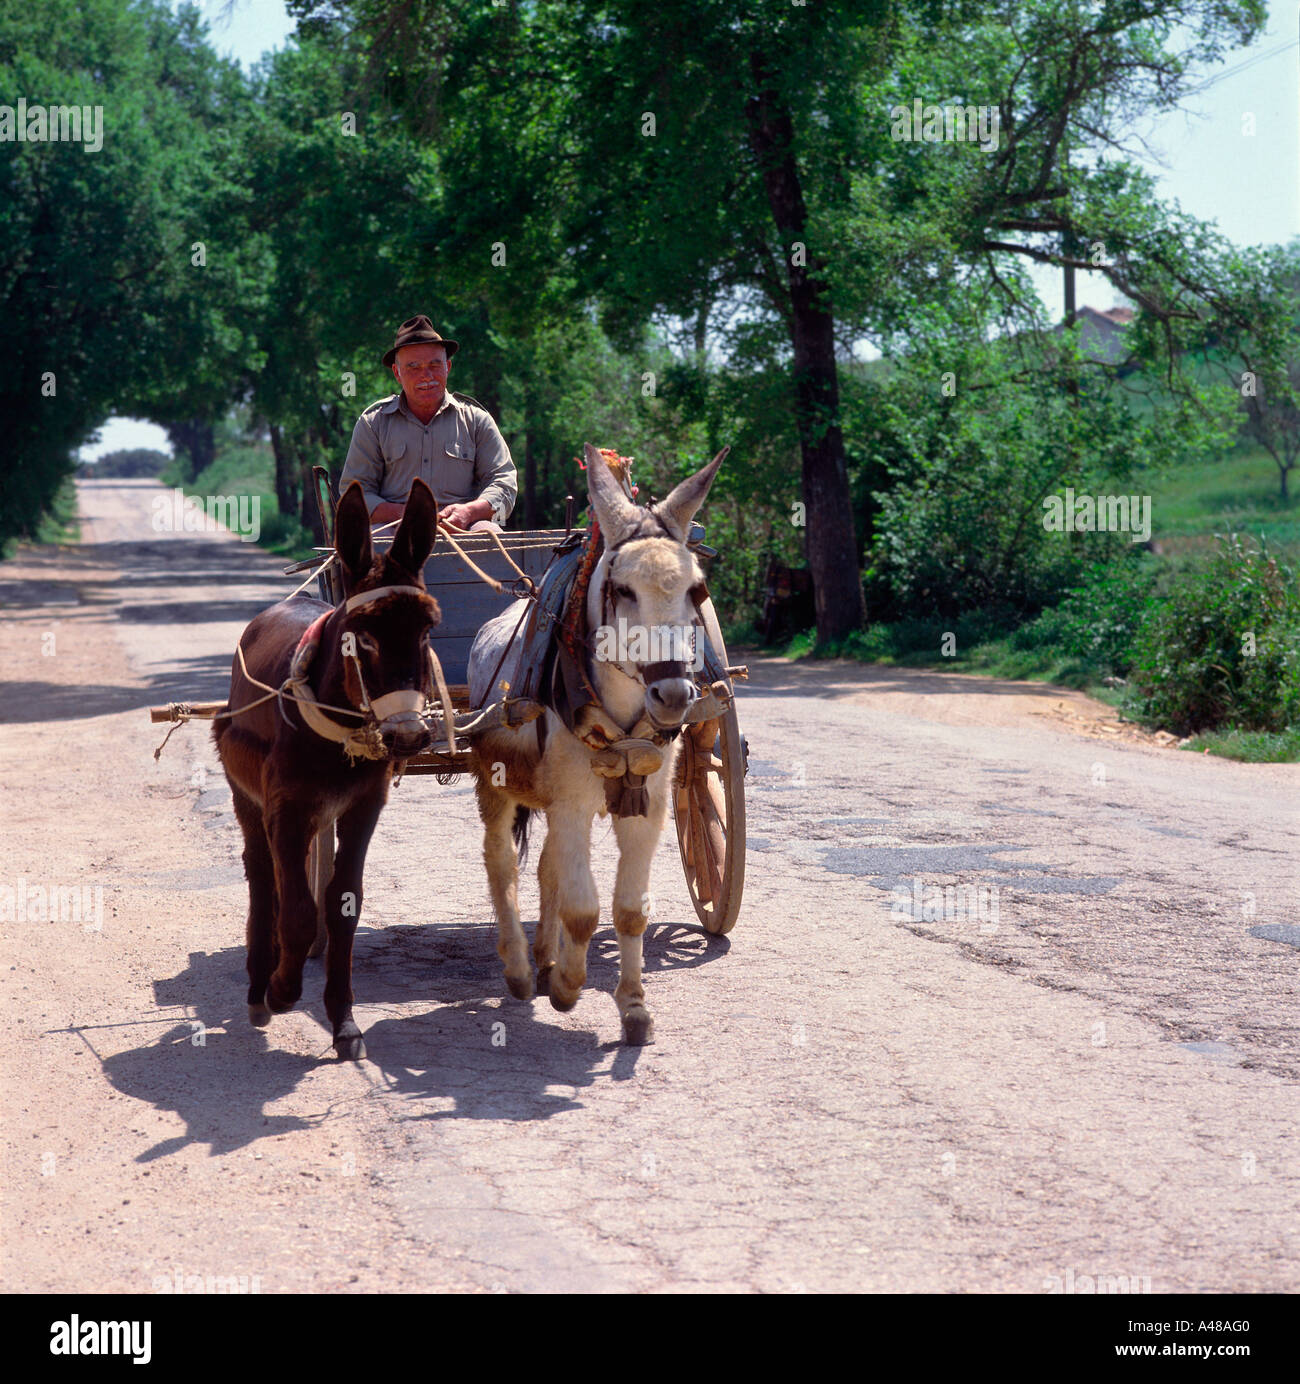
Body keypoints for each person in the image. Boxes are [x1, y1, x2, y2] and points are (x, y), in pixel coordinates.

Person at [339, 315, 517, 531]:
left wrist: (469, 511)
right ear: (397, 373)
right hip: (394, 528)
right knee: (368, 549)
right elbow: (354, 493)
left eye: (434, 364)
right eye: (413, 367)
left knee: (490, 534)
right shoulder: (373, 423)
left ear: (448, 367)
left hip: (464, 528)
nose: (426, 376)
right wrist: (402, 513)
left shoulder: (476, 420)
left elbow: (504, 482)